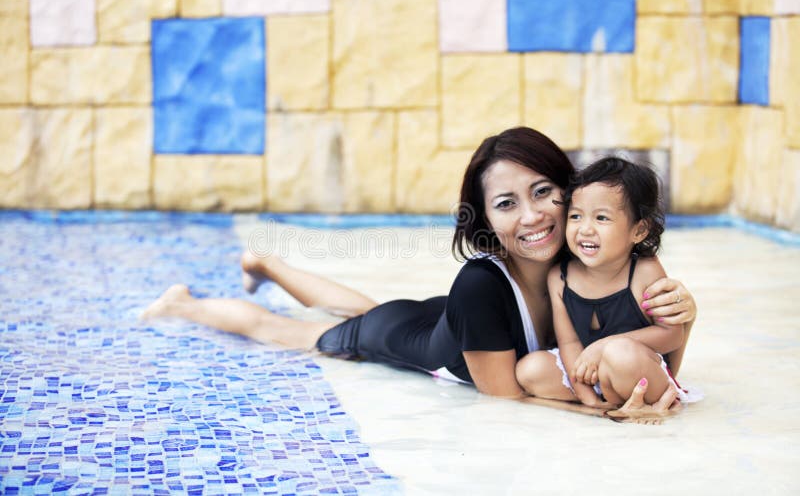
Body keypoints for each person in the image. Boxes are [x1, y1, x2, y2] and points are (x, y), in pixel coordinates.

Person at [142, 127, 697, 416]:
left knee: (365, 307)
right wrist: (607, 417)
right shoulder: (481, 284)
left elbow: (647, 340)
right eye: (506, 204)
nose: (532, 217)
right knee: (306, 330)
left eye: (543, 192)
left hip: (452, 320)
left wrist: (684, 317)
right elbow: (505, 399)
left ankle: (266, 263)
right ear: (485, 218)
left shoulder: (587, 251)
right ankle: (184, 303)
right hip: (418, 338)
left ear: (569, 192)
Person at [515, 157, 693, 409]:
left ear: (639, 231)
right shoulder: (560, 277)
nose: (585, 229)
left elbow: (672, 335)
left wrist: (603, 347)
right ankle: (608, 404)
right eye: (576, 216)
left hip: (638, 370)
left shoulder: (644, 271)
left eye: (601, 218)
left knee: (619, 354)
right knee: (529, 369)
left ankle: (639, 400)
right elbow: (569, 344)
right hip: (592, 373)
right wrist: (587, 398)